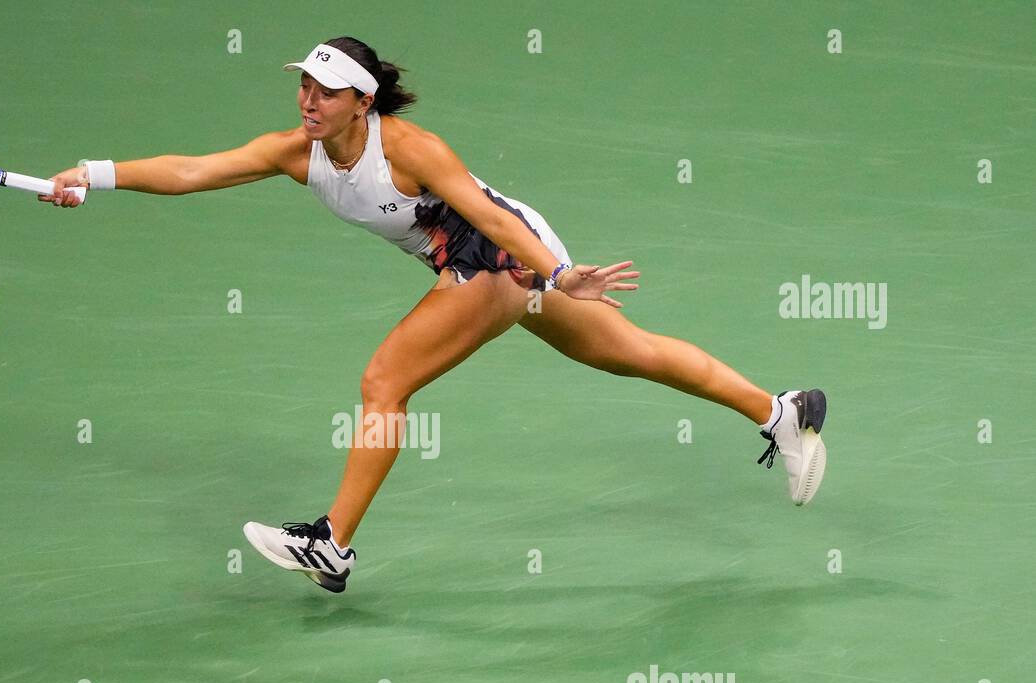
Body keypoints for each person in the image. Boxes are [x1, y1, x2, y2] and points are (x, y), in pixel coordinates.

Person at [43, 37, 828, 594]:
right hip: (489, 264)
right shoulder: (295, 151)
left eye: (325, 92)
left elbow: (489, 215)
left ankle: (332, 544)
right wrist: (93, 173)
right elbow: (190, 171)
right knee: (629, 352)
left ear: (363, 102)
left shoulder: (411, 149)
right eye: (304, 87)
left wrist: (557, 273)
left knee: (385, 380)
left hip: (500, 258)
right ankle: (781, 413)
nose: (308, 101)